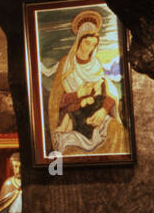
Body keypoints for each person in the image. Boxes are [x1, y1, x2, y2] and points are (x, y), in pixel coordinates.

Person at [46, 9, 128, 156]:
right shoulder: (66, 64)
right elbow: (56, 102)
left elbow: (106, 94)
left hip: (96, 114)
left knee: (117, 130)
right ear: (78, 41)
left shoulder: (96, 65)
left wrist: (103, 111)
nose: (89, 48)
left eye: (93, 44)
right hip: (73, 118)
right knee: (69, 147)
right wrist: (78, 94)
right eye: (87, 43)